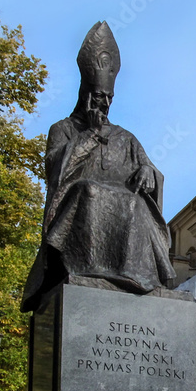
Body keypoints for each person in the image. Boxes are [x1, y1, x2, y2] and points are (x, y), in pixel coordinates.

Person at [21, 22, 174, 312]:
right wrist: (90, 135)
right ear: (84, 93)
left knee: (135, 204)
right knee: (88, 190)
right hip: (78, 205)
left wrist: (147, 173)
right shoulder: (63, 129)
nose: (103, 104)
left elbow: (153, 173)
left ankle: (131, 274)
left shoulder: (125, 138)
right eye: (98, 97)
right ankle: (88, 268)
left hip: (125, 207)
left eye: (108, 99)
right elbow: (56, 172)